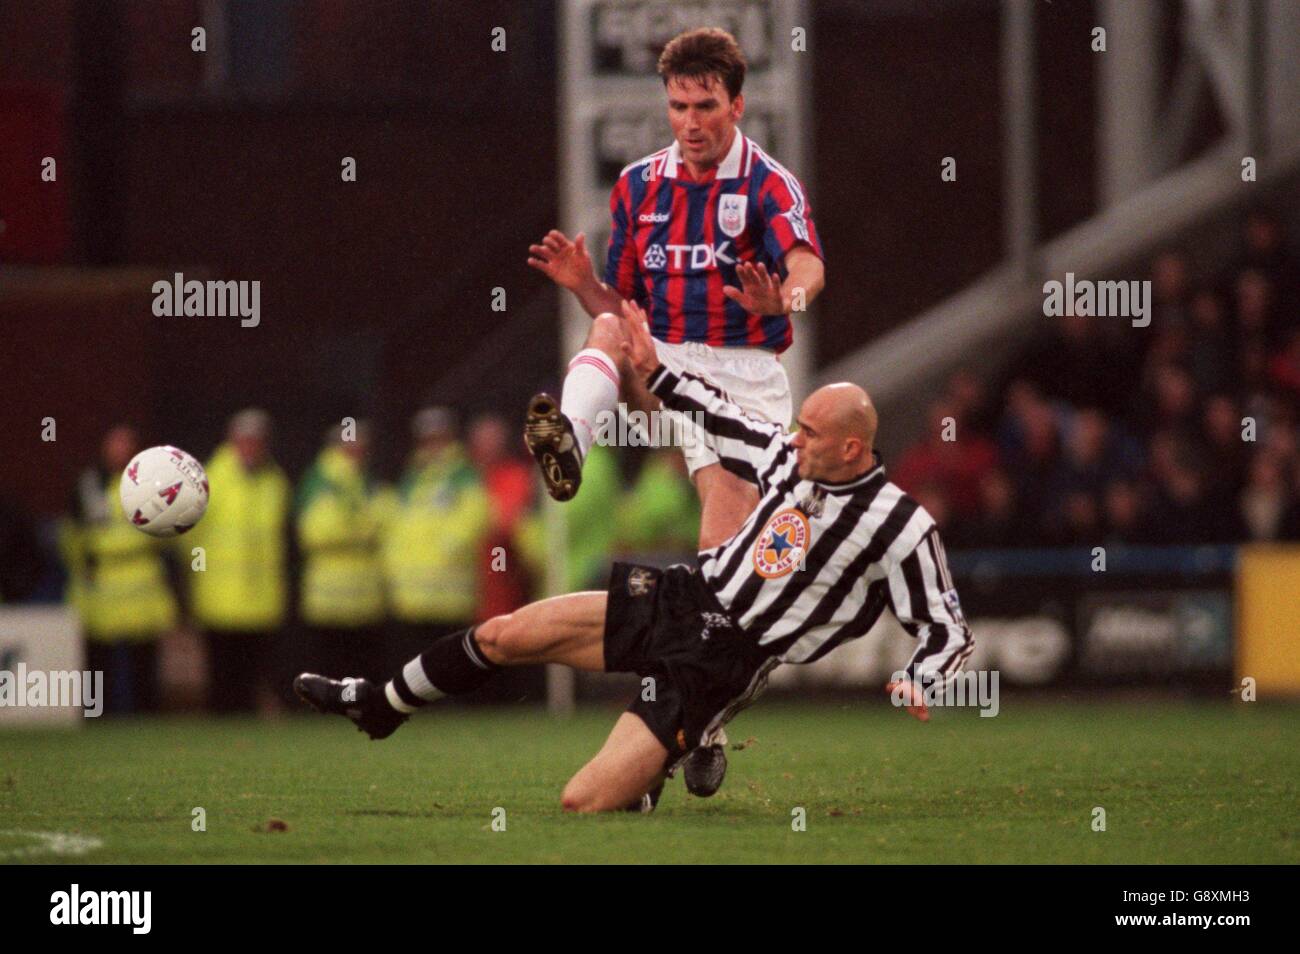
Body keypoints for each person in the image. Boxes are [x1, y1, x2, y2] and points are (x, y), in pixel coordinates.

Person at [296, 303, 972, 813]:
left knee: (582, 802)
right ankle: (379, 705)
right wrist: (653, 370)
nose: (795, 440)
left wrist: (922, 676)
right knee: (506, 634)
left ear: (853, 450)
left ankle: (654, 773)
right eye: (798, 427)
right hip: (682, 597)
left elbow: (948, 627)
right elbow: (721, 417)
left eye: (812, 433)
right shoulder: (788, 461)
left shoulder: (901, 526)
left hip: (723, 661)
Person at [525, 27, 825, 552]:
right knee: (609, 325)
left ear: (736, 106)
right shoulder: (638, 185)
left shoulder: (768, 183)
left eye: (705, 106)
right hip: (665, 370)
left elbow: (808, 269)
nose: (690, 122)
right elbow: (621, 307)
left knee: (726, 554)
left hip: (742, 383)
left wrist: (784, 300)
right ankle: (570, 447)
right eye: (679, 106)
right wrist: (582, 285)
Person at [59, 424, 177, 714]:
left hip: (142, 590)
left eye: (126, 444)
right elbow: (71, 535)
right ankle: (95, 716)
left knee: (144, 663)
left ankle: (147, 717)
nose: (120, 451)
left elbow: (171, 532)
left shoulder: (153, 484)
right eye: (115, 444)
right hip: (100, 590)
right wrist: (86, 564)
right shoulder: (88, 485)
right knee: (97, 664)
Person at [186, 408, 291, 713]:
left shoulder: (275, 481)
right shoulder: (206, 479)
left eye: (257, 441)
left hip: (262, 599)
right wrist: (197, 574)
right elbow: (189, 541)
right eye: (245, 440)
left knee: (253, 678)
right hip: (219, 598)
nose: (251, 447)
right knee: (222, 678)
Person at [381, 408, 490, 675]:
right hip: (412, 592)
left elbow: (478, 516)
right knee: (417, 662)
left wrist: (449, 547)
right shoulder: (412, 476)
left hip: (450, 587)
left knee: (452, 658)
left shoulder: (462, 474)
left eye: (439, 438)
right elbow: (399, 525)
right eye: (428, 439)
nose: (433, 445)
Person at [296, 422, 386, 682]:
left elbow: (389, 521)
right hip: (328, 595)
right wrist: (364, 531)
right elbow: (317, 532)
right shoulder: (322, 480)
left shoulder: (366, 481)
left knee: (360, 668)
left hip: (365, 596)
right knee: (329, 667)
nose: (358, 452)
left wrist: (357, 528)